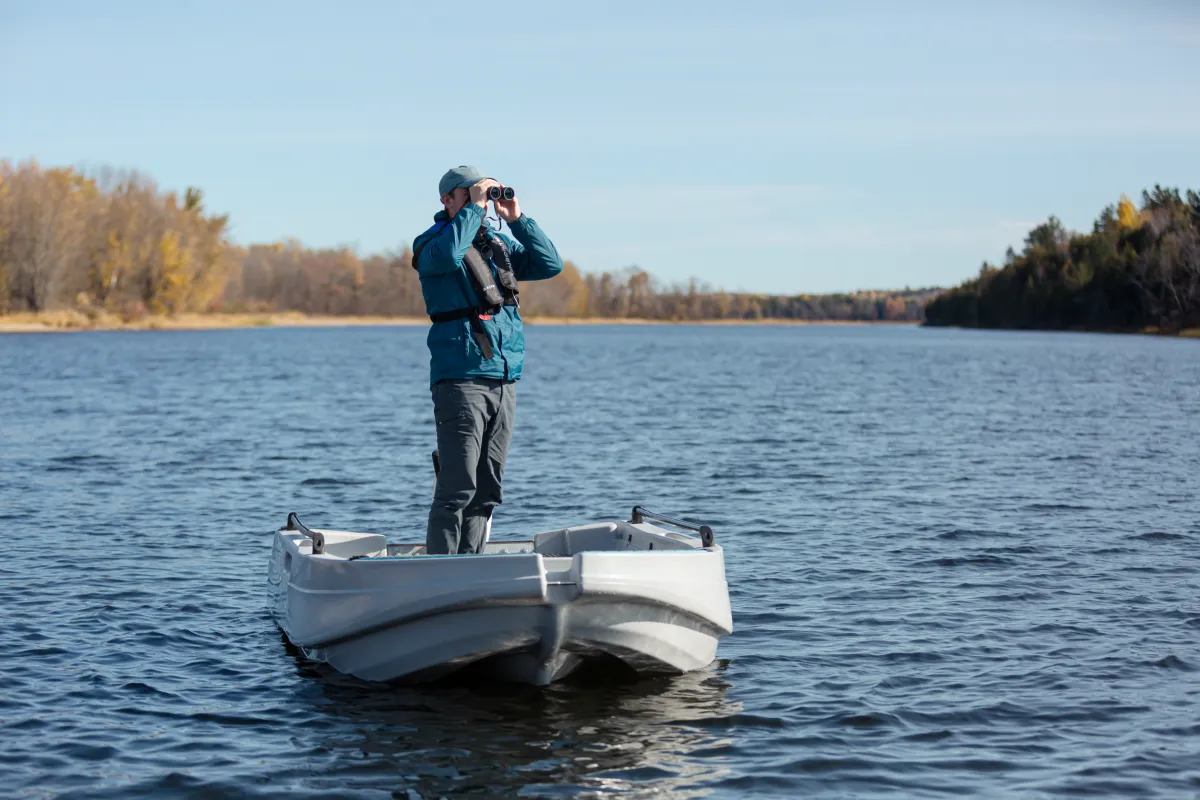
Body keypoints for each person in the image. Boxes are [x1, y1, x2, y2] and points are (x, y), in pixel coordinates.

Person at [411, 166, 563, 555]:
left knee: (487, 487)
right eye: (469, 193)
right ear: (447, 200)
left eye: (484, 193)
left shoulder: (496, 244)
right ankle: (439, 572)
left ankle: (470, 566)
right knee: (457, 485)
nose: (480, 199)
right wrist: (475, 209)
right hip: (461, 376)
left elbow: (549, 264)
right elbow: (447, 256)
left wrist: (517, 219)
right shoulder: (430, 244)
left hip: (504, 376)